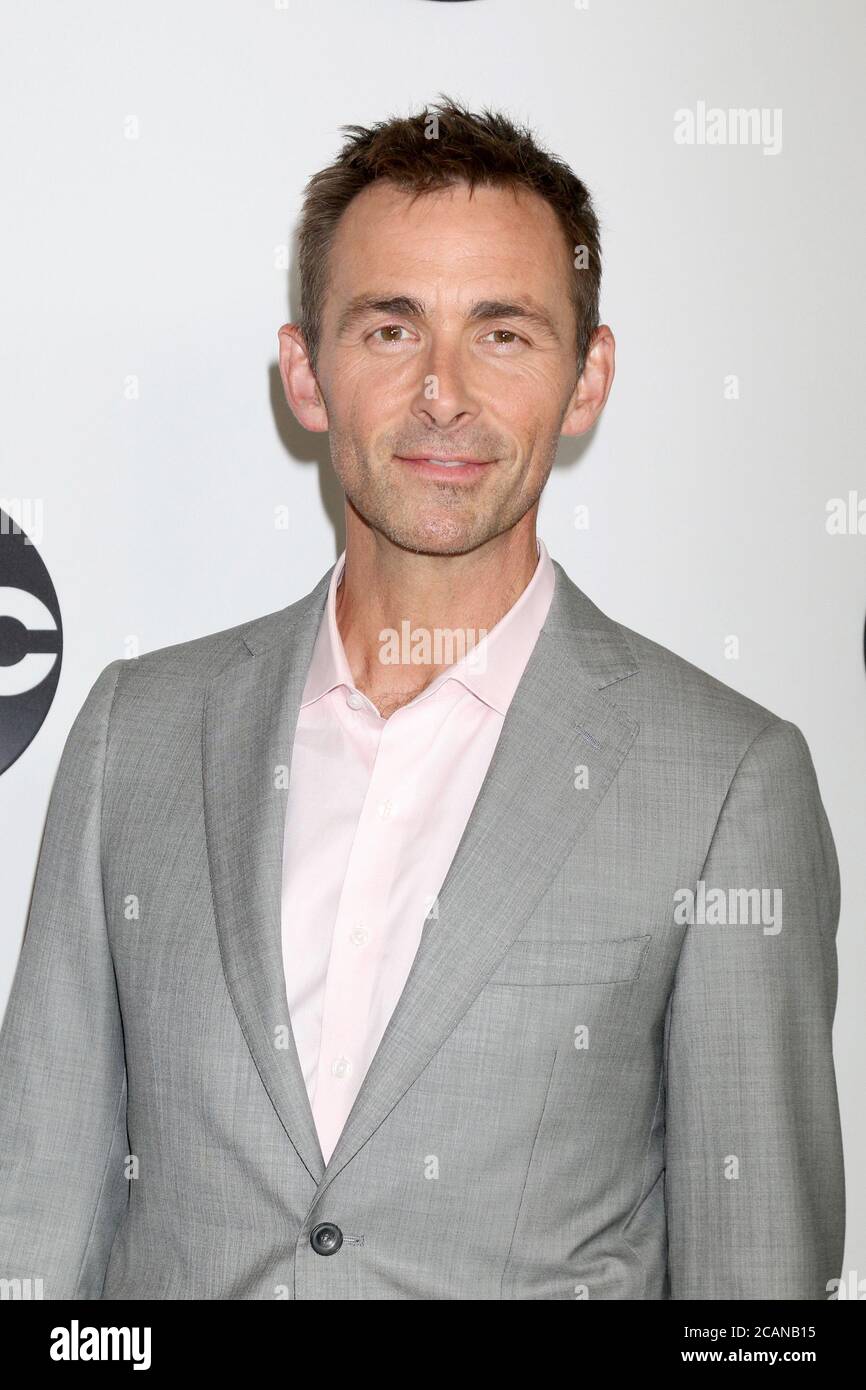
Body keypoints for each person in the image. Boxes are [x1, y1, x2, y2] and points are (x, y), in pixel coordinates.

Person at [0, 97, 844, 1300]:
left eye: (502, 334)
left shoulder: (721, 782)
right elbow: (33, 1226)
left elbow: (756, 1296)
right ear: (306, 372)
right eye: (390, 329)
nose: (442, 393)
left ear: (586, 377)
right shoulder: (137, 730)